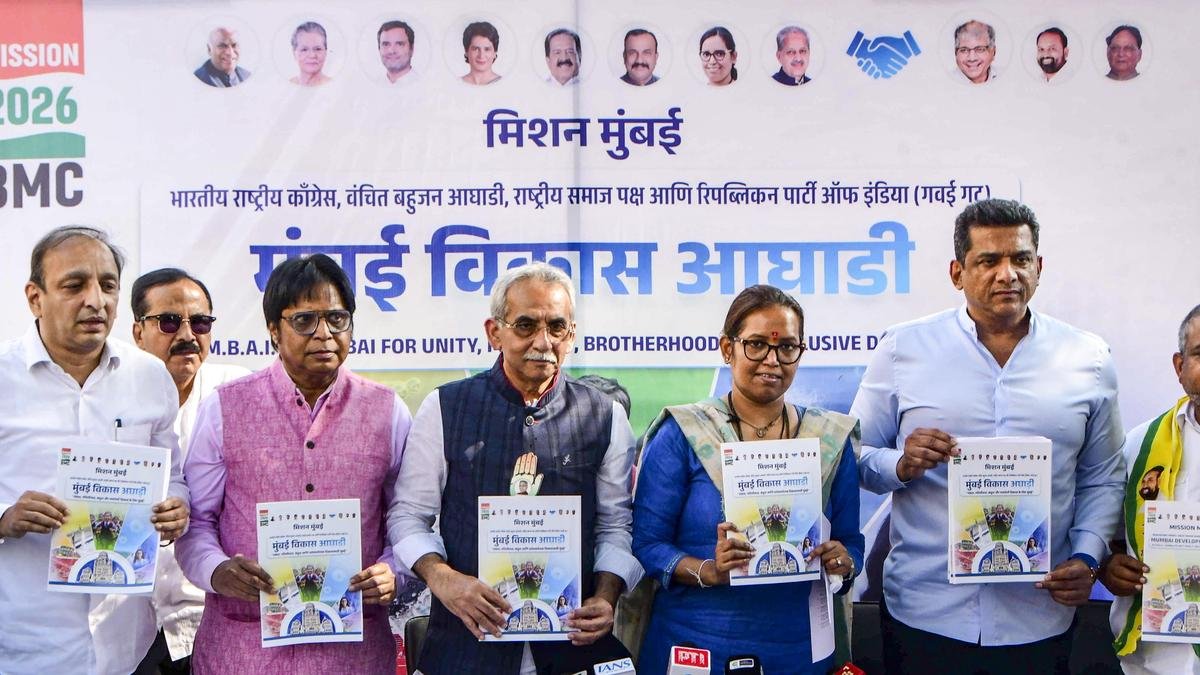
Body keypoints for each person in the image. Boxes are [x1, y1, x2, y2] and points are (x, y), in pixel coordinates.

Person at [853, 198, 1124, 674]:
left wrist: (1087, 557)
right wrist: (902, 463)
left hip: (1040, 615)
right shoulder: (903, 349)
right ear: (957, 273)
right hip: (925, 613)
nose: (1007, 274)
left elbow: (1102, 475)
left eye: (1020, 259)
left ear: (1039, 267)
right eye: (988, 261)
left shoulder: (1089, 357)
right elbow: (854, 457)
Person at [391, 262, 641, 674]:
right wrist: (443, 579)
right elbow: (408, 516)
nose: (542, 341)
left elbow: (615, 525)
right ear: (495, 332)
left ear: (571, 334)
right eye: (525, 326)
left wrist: (606, 595)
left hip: (571, 648)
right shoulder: (446, 408)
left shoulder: (604, 415)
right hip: (464, 651)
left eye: (556, 327)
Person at [175, 254, 411, 672]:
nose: (324, 333)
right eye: (304, 321)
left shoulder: (387, 411)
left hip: (352, 657)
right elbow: (196, 521)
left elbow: (409, 520)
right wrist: (217, 570)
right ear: (273, 330)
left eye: (337, 319)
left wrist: (393, 571)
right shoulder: (226, 408)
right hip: (243, 655)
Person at [632, 284, 862, 674]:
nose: (772, 360)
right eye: (756, 345)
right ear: (728, 349)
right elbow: (648, 544)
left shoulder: (827, 438)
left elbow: (851, 541)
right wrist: (710, 571)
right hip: (695, 647)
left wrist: (843, 560)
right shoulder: (684, 433)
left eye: (787, 347)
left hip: (798, 652)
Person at [0, 226, 189, 675]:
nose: (96, 300)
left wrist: (176, 508)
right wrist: (5, 517)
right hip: (25, 643)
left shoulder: (149, 377)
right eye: (74, 285)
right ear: (35, 298)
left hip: (126, 644)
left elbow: (174, 475)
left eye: (108, 285)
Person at [93, 269, 251, 674]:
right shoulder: (100, 397)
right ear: (138, 331)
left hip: (210, 618)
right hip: (121, 621)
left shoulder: (240, 397)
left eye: (200, 323)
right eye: (168, 322)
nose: (187, 335)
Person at [1106, 304, 1200, 673]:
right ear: (1180, 367)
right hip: (1156, 660)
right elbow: (1109, 535)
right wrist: (1109, 568)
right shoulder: (1140, 445)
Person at [954, 20, 996, 84]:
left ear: (993, 52)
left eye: (980, 49)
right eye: (964, 50)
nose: (972, 58)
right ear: (956, 52)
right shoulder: (944, 82)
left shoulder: (1007, 78)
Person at [290, 21, 330, 87]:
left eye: (318, 49)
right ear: (294, 53)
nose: (312, 55)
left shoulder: (336, 86)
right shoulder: (284, 87)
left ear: (325, 52)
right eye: (304, 50)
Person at [462, 21, 501, 85]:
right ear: (466, 51)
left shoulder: (505, 84)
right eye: (475, 49)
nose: (481, 55)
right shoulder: (455, 83)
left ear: (495, 52)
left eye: (487, 49)